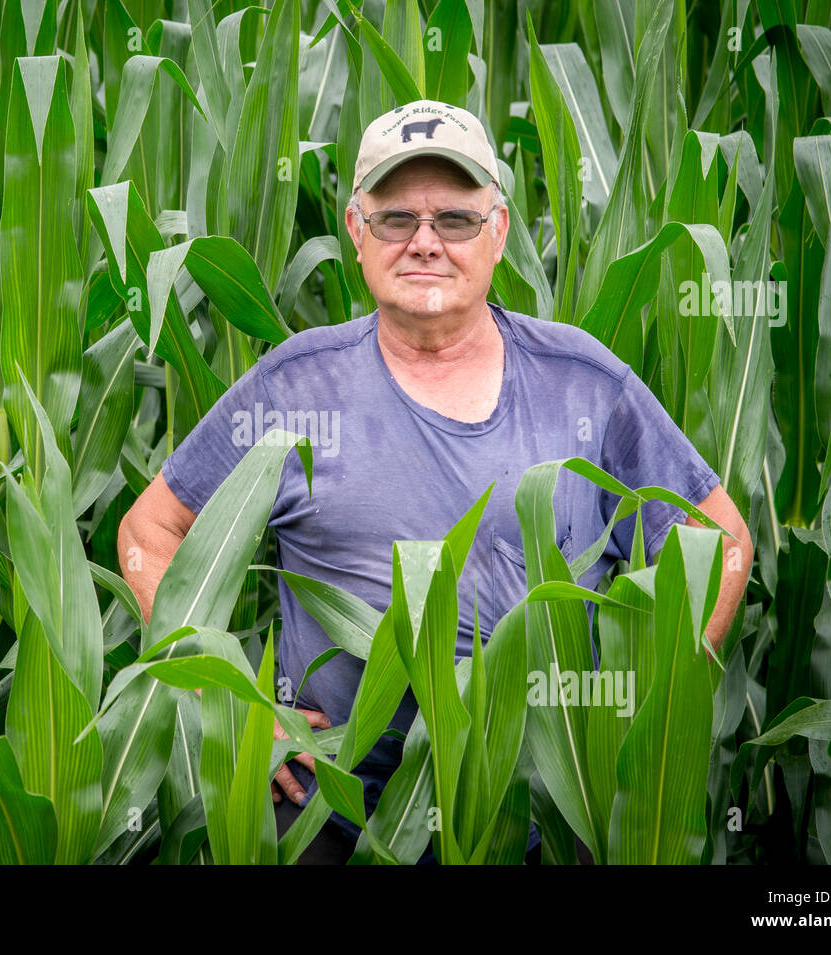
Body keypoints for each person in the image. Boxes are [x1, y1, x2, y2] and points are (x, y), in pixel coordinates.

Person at [117, 99, 753, 863]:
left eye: (455, 219)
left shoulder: (584, 385)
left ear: (499, 232)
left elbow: (720, 540)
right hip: (334, 820)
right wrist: (222, 700)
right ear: (356, 230)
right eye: (395, 219)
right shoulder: (294, 391)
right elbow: (148, 533)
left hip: (547, 818)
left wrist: (644, 718)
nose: (425, 242)